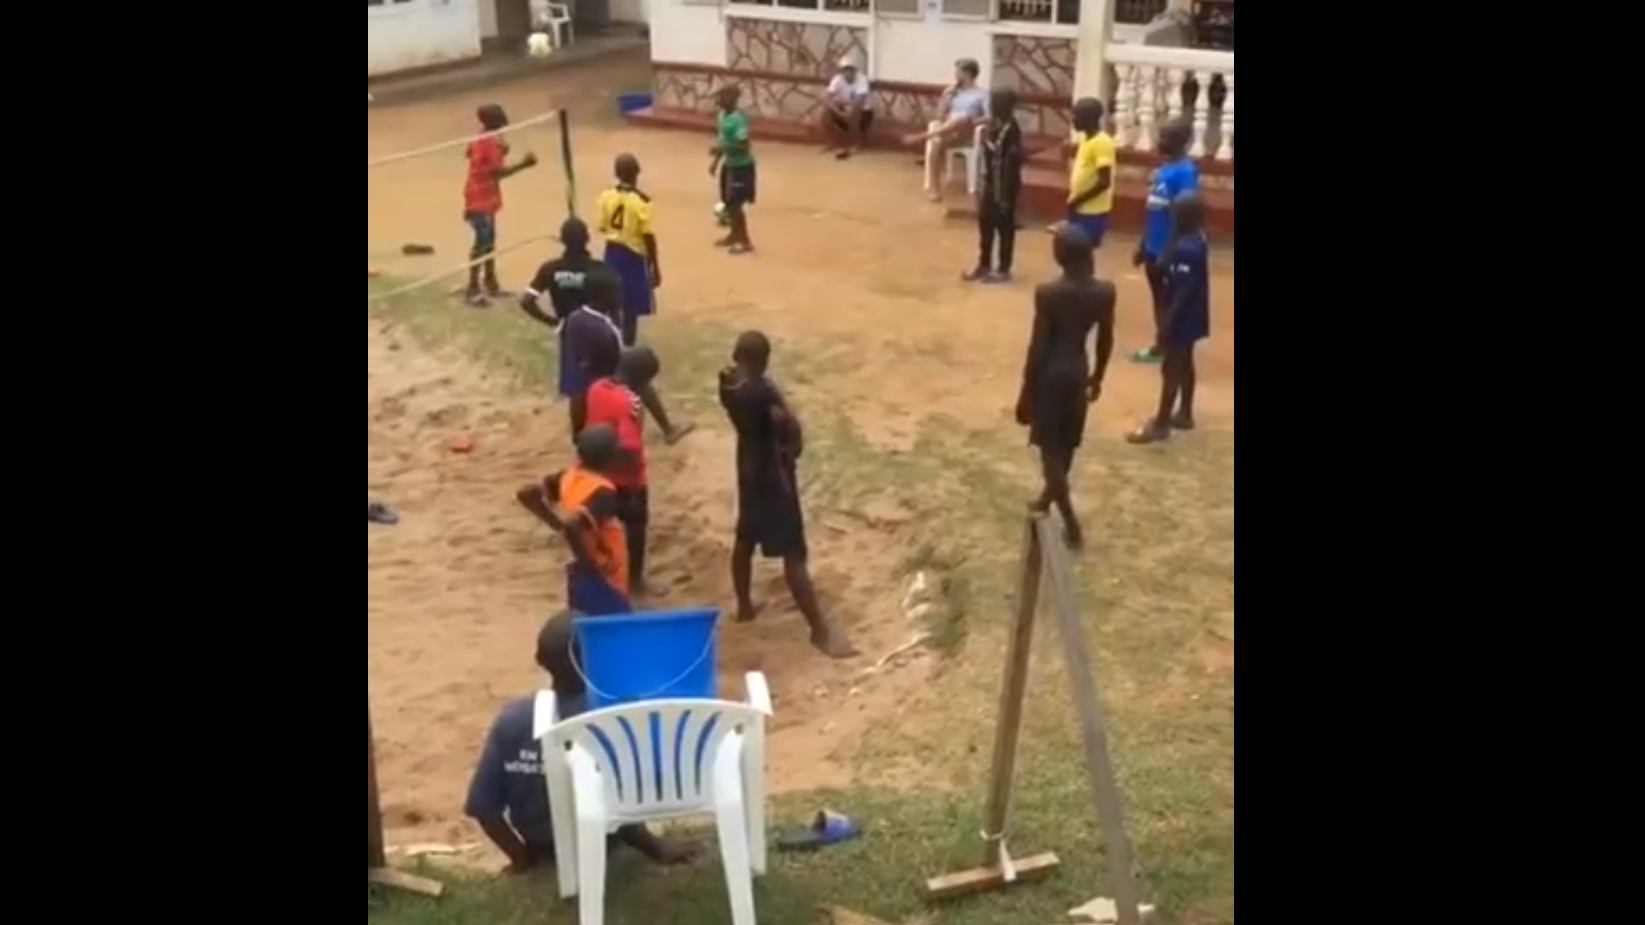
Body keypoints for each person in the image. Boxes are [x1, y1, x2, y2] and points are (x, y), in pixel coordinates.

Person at [463, 612, 695, 874]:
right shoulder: (613, 716)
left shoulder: (512, 719)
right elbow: (628, 795)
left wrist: (521, 859)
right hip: (606, 840)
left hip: (543, 847)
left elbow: (482, 807)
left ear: (539, 659)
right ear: (599, 659)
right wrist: (655, 847)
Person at [719, 332, 856, 659]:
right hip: (774, 479)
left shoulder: (728, 385)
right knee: (793, 554)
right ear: (764, 361)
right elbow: (793, 434)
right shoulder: (762, 395)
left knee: (745, 538)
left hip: (748, 471)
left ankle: (744, 607)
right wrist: (782, 407)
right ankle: (820, 632)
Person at [1016, 226, 1115, 550]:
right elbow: (1105, 339)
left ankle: (1071, 523)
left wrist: (1026, 392)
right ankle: (1048, 498)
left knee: (1049, 450)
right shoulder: (1104, 292)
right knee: (1067, 444)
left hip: (1050, 374)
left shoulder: (1048, 293)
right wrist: (1098, 376)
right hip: (1078, 370)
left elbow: (1038, 347)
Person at [516, 424, 632, 615]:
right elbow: (573, 524)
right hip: (605, 579)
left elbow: (526, 494)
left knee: (583, 627)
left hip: (577, 576)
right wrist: (591, 563)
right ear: (611, 459)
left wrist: (556, 524)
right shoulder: (603, 491)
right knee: (617, 628)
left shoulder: (567, 477)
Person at [1128, 191, 1209, 444]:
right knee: (1185, 362)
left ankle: (1161, 424)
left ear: (1185, 217)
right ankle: (1185, 412)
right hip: (1192, 314)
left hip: (1182, 315)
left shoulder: (1187, 249)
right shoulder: (1192, 240)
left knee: (1171, 367)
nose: (1172, 217)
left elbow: (1184, 290)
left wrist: (1167, 323)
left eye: (1176, 214)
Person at [584, 347, 661, 596]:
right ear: (642, 379)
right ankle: (635, 581)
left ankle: (603, 577)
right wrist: (633, 466)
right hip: (628, 480)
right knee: (636, 528)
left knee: (599, 528)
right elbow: (630, 447)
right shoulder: (630, 401)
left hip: (597, 474)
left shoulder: (597, 388)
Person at [1131, 118, 1198, 363]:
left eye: (1168, 138)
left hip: (1169, 250)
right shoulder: (1162, 170)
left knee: (1169, 301)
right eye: (1161, 136)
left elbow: (1183, 215)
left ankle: (1166, 345)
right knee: (1159, 298)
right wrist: (1143, 244)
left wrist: (1169, 250)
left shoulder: (1185, 172)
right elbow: (1153, 210)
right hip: (1153, 246)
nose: (1161, 142)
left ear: (1184, 143)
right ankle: (1163, 342)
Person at [462, 103, 538, 307]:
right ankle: (473, 288)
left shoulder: (482, 137)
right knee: (482, 242)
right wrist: (524, 164)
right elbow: (498, 173)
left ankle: (490, 284)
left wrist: (500, 151)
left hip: (480, 194)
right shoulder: (490, 142)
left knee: (488, 241)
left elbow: (468, 153)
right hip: (480, 198)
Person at [595, 154, 661, 347]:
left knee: (612, 300)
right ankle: (628, 345)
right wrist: (655, 266)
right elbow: (648, 236)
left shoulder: (606, 196)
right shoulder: (642, 201)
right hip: (633, 256)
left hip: (612, 253)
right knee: (631, 308)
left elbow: (602, 226)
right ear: (637, 174)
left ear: (616, 173)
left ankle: (613, 341)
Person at [901, 59, 988, 202]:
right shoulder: (952, 92)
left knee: (960, 119)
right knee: (936, 142)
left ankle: (922, 137)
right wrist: (945, 98)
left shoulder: (982, 94)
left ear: (968, 74)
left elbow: (988, 117)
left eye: (958, 72)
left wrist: (971, 120)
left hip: (967, 131)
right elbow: (939, 117)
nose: (955, 75)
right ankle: (935, 187)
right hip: (947, 131)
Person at [964, 87, 1024, 284]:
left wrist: (986, 142)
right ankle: (984, 264)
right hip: (992, 183)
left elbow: (1006, 157)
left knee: (1005, 228)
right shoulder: (995, 125)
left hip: (1005, 186)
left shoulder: (1011, 129)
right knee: (985, 223)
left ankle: (1004, 269)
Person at [1061, 98, 1116, 249]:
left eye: (1076, 116)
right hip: (1080, 209)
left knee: (1082, 250)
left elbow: (1104, 181)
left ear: (1089, 118)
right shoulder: (1087, 140)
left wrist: (1078, 200)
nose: (1073, 120)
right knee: (1074, 250)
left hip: (1092, 212)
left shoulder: (1102, 142)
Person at [709, 85, 757, 254]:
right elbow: (722, 141)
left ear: (733, 99)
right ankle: (734, 235)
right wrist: (715, 162)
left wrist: (722, 149)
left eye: (722, 97)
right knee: (728, 202)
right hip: (729, 165)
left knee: (736, 204)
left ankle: (745, 241)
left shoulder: (738, 120)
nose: (719, 100)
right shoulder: (722, 116)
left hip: (742, 166)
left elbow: (744, 146)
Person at [821, 58, 873, 160]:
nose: (848, 72)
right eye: (845, 70)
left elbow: (859, 100)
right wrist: (838, 112)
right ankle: (834, 145)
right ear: (841, 71)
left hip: (863, 110)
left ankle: (856, 144)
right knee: (825, 115)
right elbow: (826, 97)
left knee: (854, 113)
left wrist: (848, 110)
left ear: (855, 70)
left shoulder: (862, 79)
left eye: (850, 69)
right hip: (842, 108)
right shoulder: (837, 79)